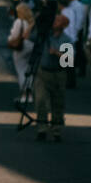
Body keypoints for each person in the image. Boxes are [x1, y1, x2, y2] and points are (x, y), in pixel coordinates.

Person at [35, 13, 69, 142]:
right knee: (41, 101)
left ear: (63, 25)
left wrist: (57, 53)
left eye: (58, 21)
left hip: (58, 73)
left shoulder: (66, 39)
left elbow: (69, 60)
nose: (54, 22)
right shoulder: (45, 36)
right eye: (54, 20)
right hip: (43, 72)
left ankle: (56, 130)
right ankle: (42, 128)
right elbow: (29, 37)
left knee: (58, 102)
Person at [7, 2, 36, 103]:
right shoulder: (30, 22)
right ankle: (30, 93)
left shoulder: (19, 22)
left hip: (21, 47)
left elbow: (15, 35)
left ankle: (24, 93)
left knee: (21, 70)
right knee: (29, 70)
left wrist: (10, 40)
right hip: (30, 45)